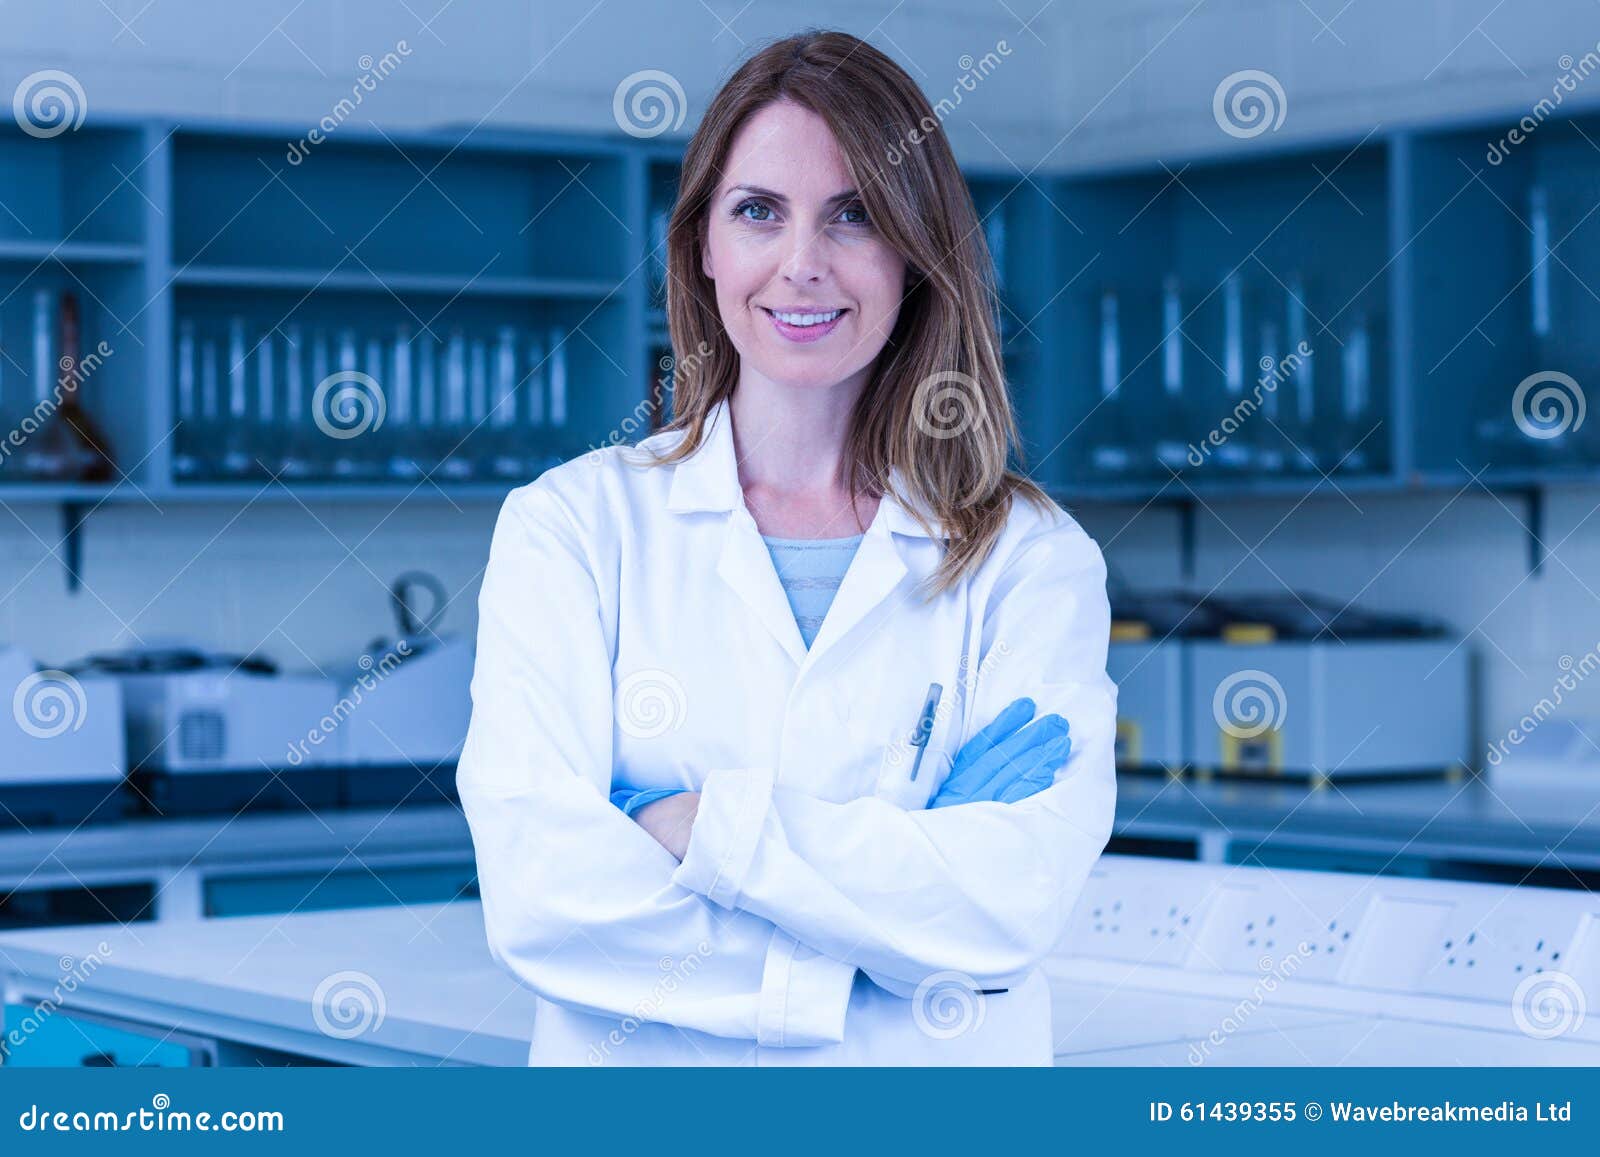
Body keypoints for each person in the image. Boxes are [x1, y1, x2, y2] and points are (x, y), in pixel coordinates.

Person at [456, 28, 1117, 1066]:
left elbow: (1006, 911)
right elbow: (545, 900)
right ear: (703, 247)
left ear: (916, 251)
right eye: (758, 210)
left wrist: (699, 827)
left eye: (853, 215)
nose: (801, 264)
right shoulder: (572, 528)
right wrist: (885, 923)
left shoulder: (1027, 558)